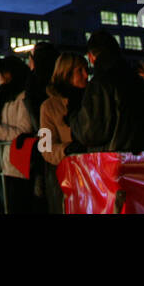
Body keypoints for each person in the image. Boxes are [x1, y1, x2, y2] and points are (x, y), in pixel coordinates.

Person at [65, 31, 144, 155]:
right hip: (143, 160)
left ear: (91, 57)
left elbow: (90, 132)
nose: (85, 75)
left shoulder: (100, 83)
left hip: (112, 162)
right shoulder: (139, 82)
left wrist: (73, 117)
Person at [0, 55, 35, 213]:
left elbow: (23, 131)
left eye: (0, 72)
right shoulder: (5, 96)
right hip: (4, 164)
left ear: (10, 74)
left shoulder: (22, 98)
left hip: (18, 165)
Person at [38, 52, 87, 213]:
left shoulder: (91, 100)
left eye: (86, 69)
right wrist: (67, 149)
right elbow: (45, 147)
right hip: (64, 177)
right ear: (66, 74)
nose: (86, 75)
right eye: (79, 71)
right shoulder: (49, 107)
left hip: (90, 174)